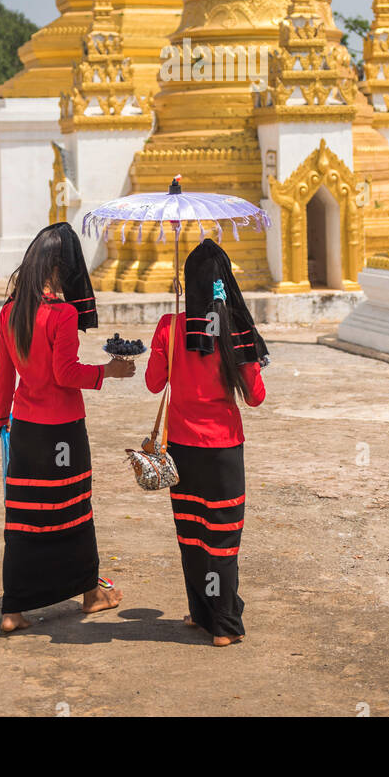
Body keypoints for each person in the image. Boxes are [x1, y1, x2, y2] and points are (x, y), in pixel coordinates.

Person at [0, 222, 134, 633]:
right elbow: (66, 373)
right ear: (58, 270)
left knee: (23, 517)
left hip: (25, 429)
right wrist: (110, 370)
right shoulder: (62, 314)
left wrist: (1, 417)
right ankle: (91, 593)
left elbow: (4, 375)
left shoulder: (9, 312)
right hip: (63, 430)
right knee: (73, 510)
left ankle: (13, 609)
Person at [145, 238, 268, 646]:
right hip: (223, 449)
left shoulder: (170, 326)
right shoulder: (236, 330)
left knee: (192, 533)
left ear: (188, 283)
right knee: (222, 535)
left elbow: (152, 384)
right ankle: (225, 625)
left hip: (182, 449)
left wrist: (171, 332)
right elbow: (255, 397)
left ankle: (202, 613)